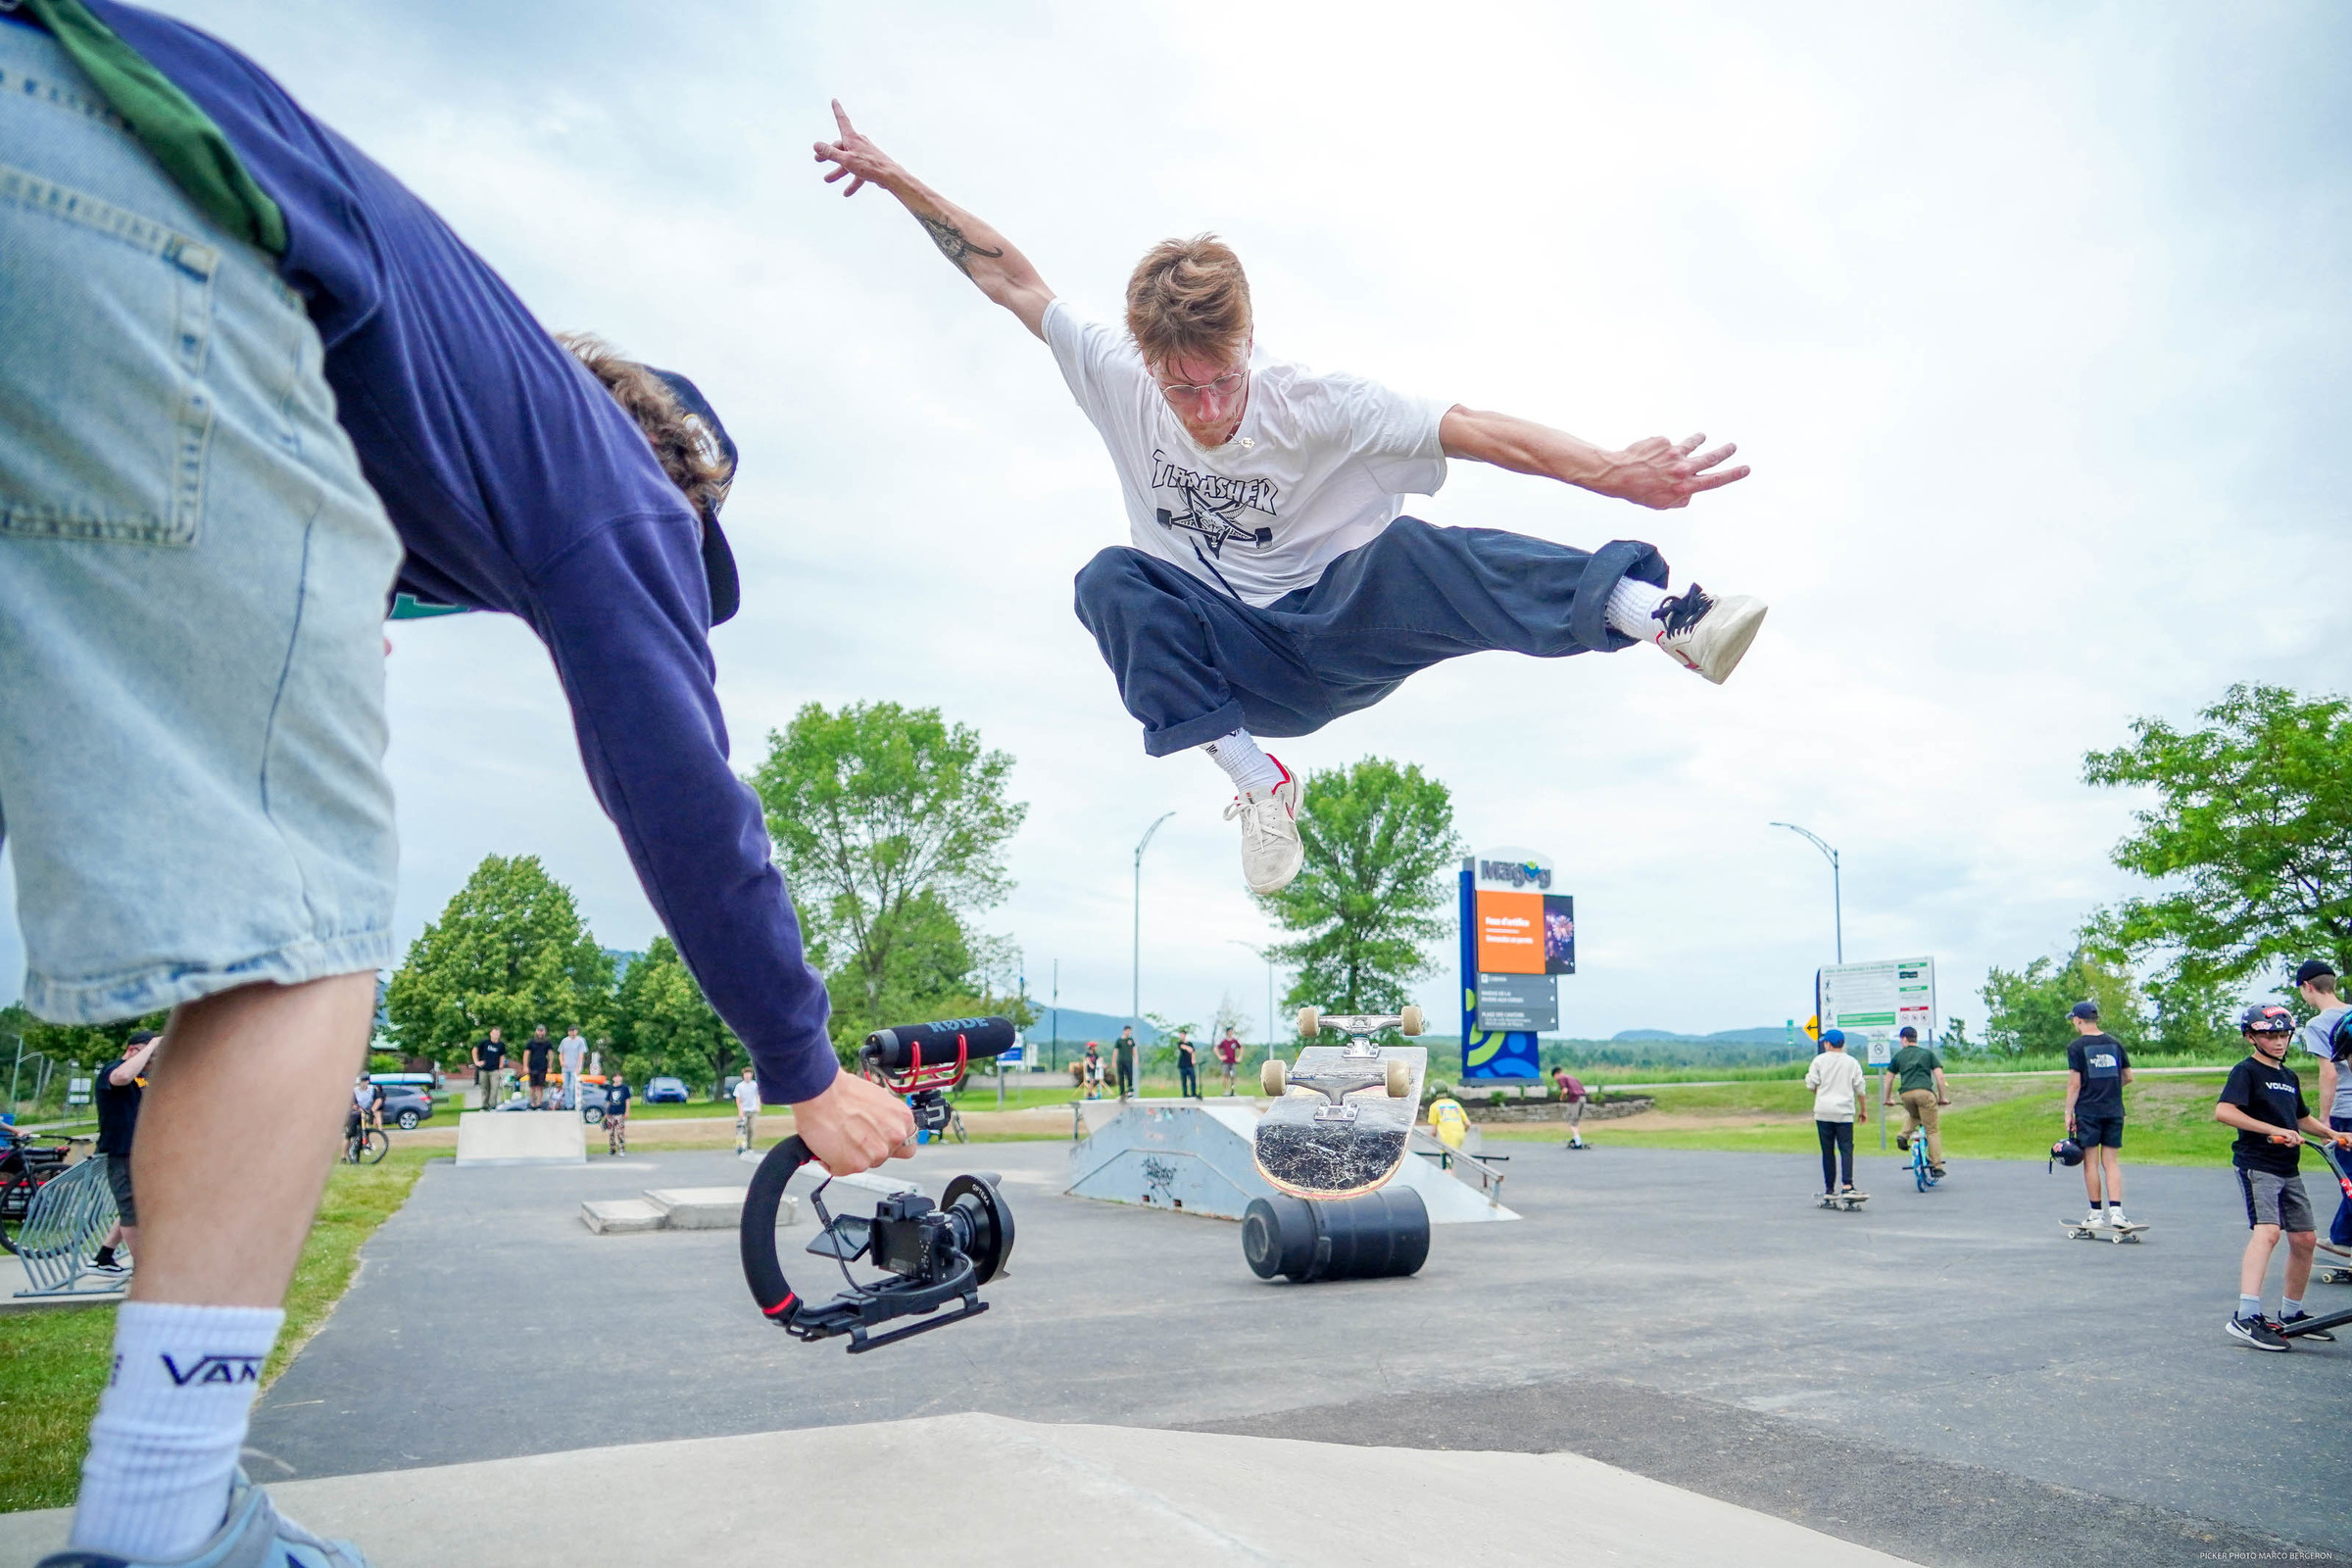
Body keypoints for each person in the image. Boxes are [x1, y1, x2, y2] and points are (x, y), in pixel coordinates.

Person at [1, 10, 914, 1563]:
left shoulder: (448, 398)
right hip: (145, 229)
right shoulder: (625, 482)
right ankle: (164, 1520)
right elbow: (678, 783)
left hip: (63, 112)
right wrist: (801, 1063)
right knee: (300, 916)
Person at [814, 105, 1763, 897]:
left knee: (1416, 554)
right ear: (1146, 360)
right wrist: (897, 179)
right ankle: (1257, 785)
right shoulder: (1113, 372)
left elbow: (1476, 429)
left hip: (1341, 628)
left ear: (1250, 339)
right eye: (1183, 389)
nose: (1209, 407)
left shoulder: (1320, 403)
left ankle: (1661, 616)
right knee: (1109, 577)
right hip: (1236, 660)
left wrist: (1610, 469)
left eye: (1223, 380)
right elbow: (1006, 275)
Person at [2215, 1004, 2352, 1350]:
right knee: (2269, 1232)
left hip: (2288, 1166)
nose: (2277, 1042)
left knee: (2305, 1238)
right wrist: (2273, 1129)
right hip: (2258, 1163)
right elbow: (2224, 1111)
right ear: (2251, 1037)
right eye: (2268, 1035)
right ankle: (2246, 1316)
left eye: (2282, 1035)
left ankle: (2291, 1313)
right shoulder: (2246, 1072)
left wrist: (2334, 1135)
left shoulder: (2288, 1077)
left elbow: (2301, 1118)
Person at [89, 1032, 163, 1278]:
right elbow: (121, 1077)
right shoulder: (114, 1069)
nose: (150, 1063)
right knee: (132, 1212)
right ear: (133, 1050)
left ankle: (104, 1255)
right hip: (121, 1151)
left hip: (139, 1151)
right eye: (149, 1058)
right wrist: (152, 1045)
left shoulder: (140, 1077)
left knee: (135, 1207)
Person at [2294, 959, 2351, 1250]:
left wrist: (2324, 1121)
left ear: (2307, 987)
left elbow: (2328, 1072)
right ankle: (2343, 1238)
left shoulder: (2317, 1024)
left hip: (2346, 1112)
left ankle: (2343, 1240)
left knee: (2349, 1179)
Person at [2062, 1002, 2132, 1228]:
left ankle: (2095, 1215)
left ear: (2078, 1020)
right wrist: (2109, 1089)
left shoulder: (2076, 1047)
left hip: (2088, 1110)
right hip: (2113, 1109)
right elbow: (2128, 1076)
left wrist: (2068, 1111)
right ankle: (2117, 1213)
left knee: (2090, 1162)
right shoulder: (2114, 1043)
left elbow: (2075, 1083)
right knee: (2111, 1162)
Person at [1881, 1025, 1950, 1179]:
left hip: (1906, 1094)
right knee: (1931, 1130)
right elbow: (1940, 1077)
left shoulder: (1899, 1056)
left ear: (1904, 1039)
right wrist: (1942, 1097)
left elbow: (1888, 1079)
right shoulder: (1927, 1054)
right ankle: (1936, 1165)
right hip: (1925, 1093)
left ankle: (1903, 1135)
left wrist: (1887, 1099)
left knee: (1915, 1115)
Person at [1805, 1030, 1868, 1200]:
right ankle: (1847, 1185)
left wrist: (1820, 1094)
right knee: (1846, 1148)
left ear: (1828, 1044)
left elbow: (1811, 1083)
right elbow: (1860, 1087)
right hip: (1844, 1111)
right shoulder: (1851, 1062)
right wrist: (1863, 1109)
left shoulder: (1819, 1061)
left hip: (1823, 1111)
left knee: (1827, 1151)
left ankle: (1829, 1188)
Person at [1552, 1065, 1591, 1150]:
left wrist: (1561, 1097)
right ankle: (1575, 1138)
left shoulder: (1561, 1078)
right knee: (1575, 1120)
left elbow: (1565, 1090)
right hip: (1583, 1098)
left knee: (1571, 1121)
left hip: (1574, 1099)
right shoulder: (1572, 1077)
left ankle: (1578, 1141)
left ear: (1556, 1074)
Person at [472, 1028, 508, 1111]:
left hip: (494, 1069)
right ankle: (485, 1106)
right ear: (490, 1034)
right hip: (484, 1069)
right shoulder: (484, 1043)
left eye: (497, 1034)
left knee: (494, 1088)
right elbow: (474, 1050)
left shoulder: (501, 1045)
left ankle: (493, 1106)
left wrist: (500, 1067)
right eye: (494, 1033)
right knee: (485, 1088)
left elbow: (502, 1056)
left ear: (499, 1035)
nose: (495, 1035)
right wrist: (476, 1061)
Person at [732, 1065, 762, 1156]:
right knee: (742, 1129)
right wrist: (740, 1111)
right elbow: (738, 1099)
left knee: (751, 1129)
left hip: (753, 1110)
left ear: (751, 1075)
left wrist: (758, 1106)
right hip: (744, 1110)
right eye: (746, 1074)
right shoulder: (739, 1086)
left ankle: (749, 1146)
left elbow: (758, 1096)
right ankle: (740, 1145)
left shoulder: (755, 1085)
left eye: (749, 1074)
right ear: (743, 1075)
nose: (747, 1076)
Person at [559, 1026, 588, 1113]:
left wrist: (578, 1067)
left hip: (575, 1068)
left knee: (572, 1086)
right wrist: (561, 1061)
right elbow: (561, 1053)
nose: (572, 1033)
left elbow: (581, 1055)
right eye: (570, 1031)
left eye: (574, 1031)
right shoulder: (564, 1041)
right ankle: (568, 1104)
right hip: (566, 1067)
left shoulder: (580, 1041)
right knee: (566, 1086)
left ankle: (573, 1104)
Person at [603, 1076, 632, 1157]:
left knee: (620, 1132)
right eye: (616, 1077)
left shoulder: (624, 1088)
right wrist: (606, 1113)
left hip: (620, 1113)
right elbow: (608, 1101)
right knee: (611, 1132)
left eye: (619, 1076)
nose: (618, 1078)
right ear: (613, 1078)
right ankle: (612, 1149)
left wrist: (627, 1112)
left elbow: (627, 1100)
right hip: (611, 1113)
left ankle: (622, 1148)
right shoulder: (611, 1088)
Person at [1113, 1026, 1139, 1101]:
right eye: (1127, 1031)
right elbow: (1115, 1051)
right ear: (1124, 1031)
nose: (1128, 1032)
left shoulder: (1130, 1040)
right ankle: (1122, 1094)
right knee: (1121, 1077)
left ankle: (1130, 1093)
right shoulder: (1119, 1040)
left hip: (1128, 1060)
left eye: (1129, 1031)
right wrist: (1113, 1061)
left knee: (1129, 1076)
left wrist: (1136, 1058)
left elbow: (1134, 1050)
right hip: (1120, 1061)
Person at [1215, 1031, 1242, 1097]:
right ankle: (1225, 1091)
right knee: (1225, 1076)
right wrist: (1220, 1056)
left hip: (1233, 1061)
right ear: (1227, 1032)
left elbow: (1241, 1048)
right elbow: (1216, 1048)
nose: (1231, 1033)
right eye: (1229, 1031)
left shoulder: (1234, 1041)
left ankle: (1232, 1091)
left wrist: (1239, 1057)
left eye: (1232, 1031)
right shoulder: (1224, 1041)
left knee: (1233, 1076)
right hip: (1226, 1062)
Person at [1176, 1030, 1200, 1099]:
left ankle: (1193, 1092)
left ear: (1185, 1035)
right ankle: (1185, 1093)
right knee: (1184, 1080)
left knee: (1193, 1078)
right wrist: (1188, 1048)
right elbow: (1183, 1047)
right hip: (1183, 1064)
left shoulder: (1190, 1043)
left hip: (1189, 1064)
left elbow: (1193, 1052)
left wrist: (1193, 1059)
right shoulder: (1179, 1043)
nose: (1181, 1036)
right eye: (1180, 1035)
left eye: (1182, 1035)